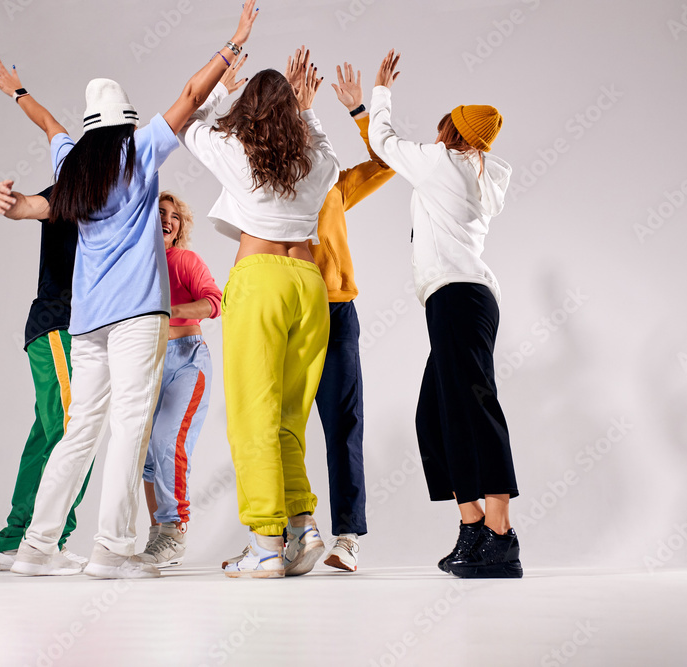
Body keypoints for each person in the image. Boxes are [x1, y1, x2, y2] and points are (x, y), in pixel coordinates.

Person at [0, 1, 260, 579]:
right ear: (127, 121)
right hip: (138, 316)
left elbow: (49, 126)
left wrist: (17, 96)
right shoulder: (138, 150)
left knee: (80, 428)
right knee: (129, 427)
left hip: (87, 321)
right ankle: (111, 550)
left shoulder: (73, 161)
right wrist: (234, 42)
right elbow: (192, 94)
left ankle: (37, 547)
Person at [178, 47, 339, 578]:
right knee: (289, 417)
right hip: (308, 285)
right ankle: (303, 525)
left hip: (262, 278)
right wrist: (306, 110)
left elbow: (191, 116)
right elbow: (325, 147)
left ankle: (267, 545)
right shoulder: (317, 160)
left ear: (249, 112)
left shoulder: (235, 148)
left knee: (252, 414)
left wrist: (225, 84)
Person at [368, 50, 522, 578]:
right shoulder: (473, 173)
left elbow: (384, 145)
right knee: (434, 416)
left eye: (441, 129)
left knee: (475, 408)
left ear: (450, 132)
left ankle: (501, 537)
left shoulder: (441, 164)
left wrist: (377, 95)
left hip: (459, 297)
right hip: (461, 300)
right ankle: (472, 526)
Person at [0, 97, 92, 576]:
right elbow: (32, 206)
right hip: (56, 327)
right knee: (75, 431)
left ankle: (14, 539)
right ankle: (49, 539)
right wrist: (7, 203)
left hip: (67, 332)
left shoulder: (105, 194)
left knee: (47, 436)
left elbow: (51, 124)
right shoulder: (69, 193)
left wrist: (17, 89)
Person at [309, 58, 395, 572]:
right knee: (283, 425)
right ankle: (289, 530)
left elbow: (385, 163)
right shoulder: (272, 183)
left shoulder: (337, 186)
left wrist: (361, 110)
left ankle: (347, 536)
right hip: (290, 315)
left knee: (343, 426)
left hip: (338, 314)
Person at [136, 190, 226, 568]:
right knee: (145, 456)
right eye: (159, 212)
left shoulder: (184, 259)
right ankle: (158, 532)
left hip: (187, 359)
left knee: (167, 439)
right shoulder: (135, 265)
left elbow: (215, 301)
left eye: (174, 216)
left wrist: (168, 311)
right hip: (146, 361)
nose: (167, 219)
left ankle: (175, 530)